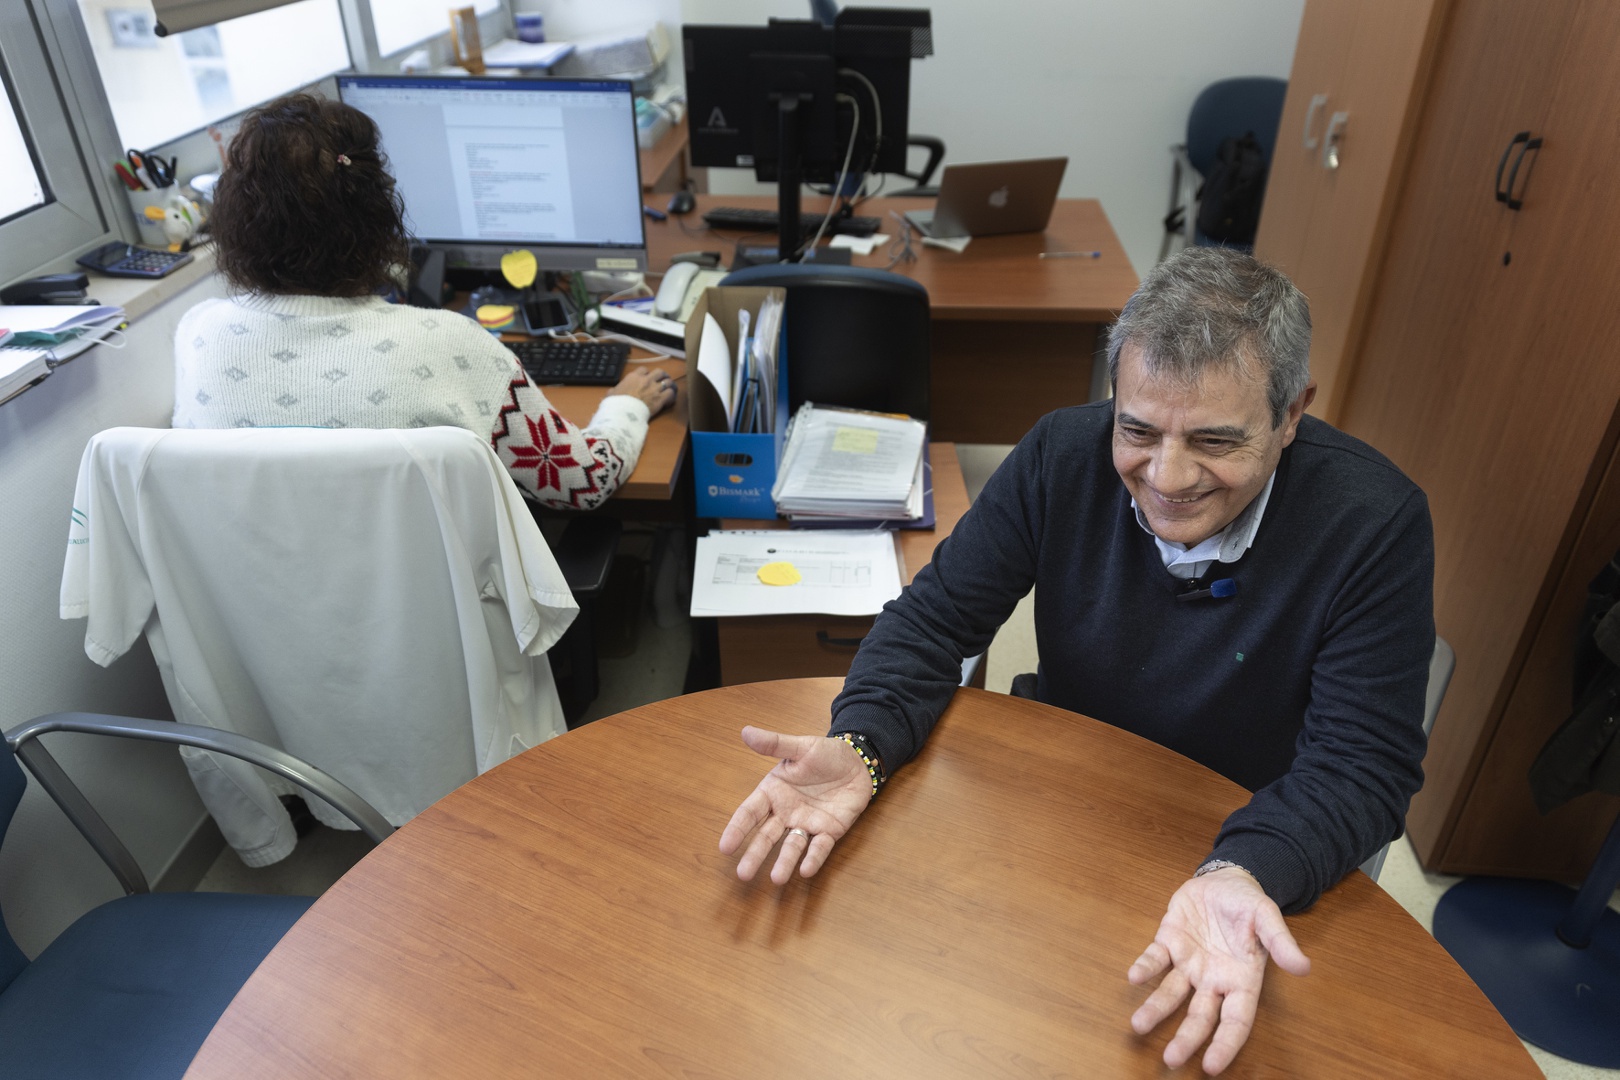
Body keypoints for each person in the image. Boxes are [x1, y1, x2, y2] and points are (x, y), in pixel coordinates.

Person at [717, 247, 1434, 1075]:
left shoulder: (1373, 524)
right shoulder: (1064, 453)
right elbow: (933, 621)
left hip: (1245, 840)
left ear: (1291, 415)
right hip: (1068, 823)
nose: (1166, 477)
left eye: (1214, 440)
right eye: (1137, 429)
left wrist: (1247, 870)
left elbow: (1364, 766)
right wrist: (864, 740)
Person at [172, 93, 674, 510]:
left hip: (262, 623)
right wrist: (624, 407)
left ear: (235, 218)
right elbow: (582, 483)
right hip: (431, 626)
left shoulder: (199, 334)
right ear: (377, 213)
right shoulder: (448, 343)